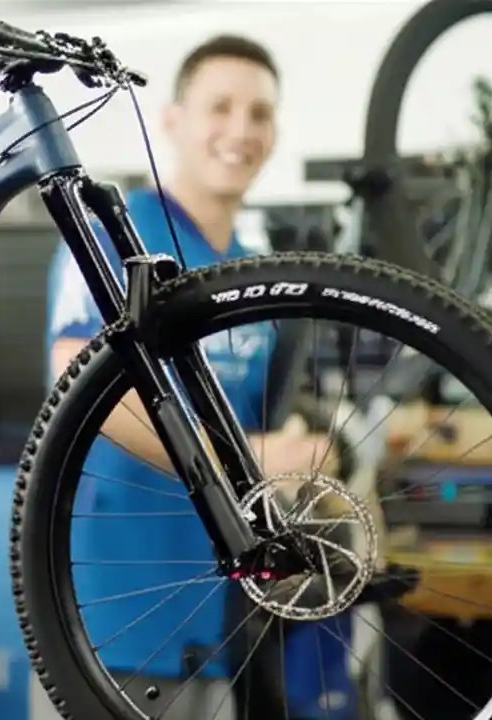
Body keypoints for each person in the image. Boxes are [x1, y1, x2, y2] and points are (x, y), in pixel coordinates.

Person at [43, 34, 341, 716]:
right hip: (117, 620)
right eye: (221, 107)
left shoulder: (246, 265)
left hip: (220, 616)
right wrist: (246, 460)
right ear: (173, 121)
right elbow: (74, 379)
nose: (241, 130)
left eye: (260, 114)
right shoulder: (119, 237)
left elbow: (248, 428)